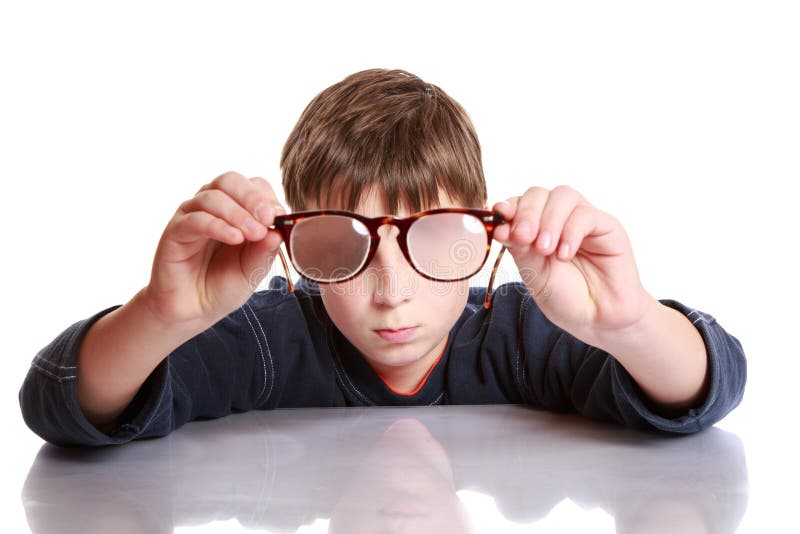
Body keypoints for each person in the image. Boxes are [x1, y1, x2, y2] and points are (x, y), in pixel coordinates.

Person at [19, 69, 746, 447]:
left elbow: (703, 389)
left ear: (484, 234)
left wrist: (629, 325)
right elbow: (60, 403)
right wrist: (161, 315)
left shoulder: (515, 331)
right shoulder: (273, 341)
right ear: (297, 248)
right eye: (343, 247)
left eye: (432, 240)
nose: (391, 291)